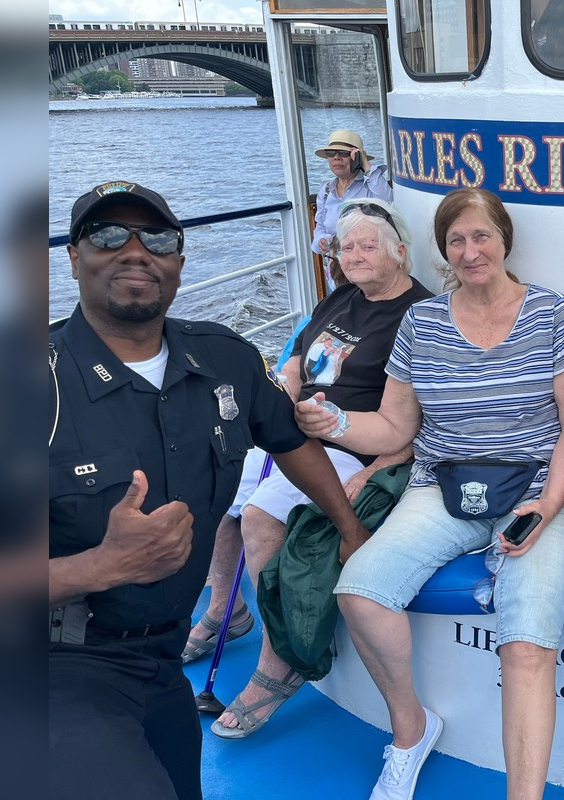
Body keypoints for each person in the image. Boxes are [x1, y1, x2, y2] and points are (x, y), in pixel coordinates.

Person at [49, 181, 371, 800]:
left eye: (158, 238)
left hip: (163, 658)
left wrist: (351, 530)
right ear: (73, 255)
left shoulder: (223, 360)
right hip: (54, 665)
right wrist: (100, 565)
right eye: (109, 235)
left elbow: (289, 439)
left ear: (179, 259)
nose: (136, 251)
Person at [296, 188, 564, 800]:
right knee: (360, 594)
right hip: (444, 483)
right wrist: (338, 425)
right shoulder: (423, 322)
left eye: (481, 235)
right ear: (442, 251)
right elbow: (397, 427)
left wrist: (549, 504)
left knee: (527, 644)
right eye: (455, 240)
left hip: (538, 488)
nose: (469, 250)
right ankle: (411, 730)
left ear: (504, 239)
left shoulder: (551, 314)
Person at [191, 199, 434, 738]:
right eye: (346, 247)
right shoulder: (341, 298)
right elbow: (296, 364)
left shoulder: (419, 313)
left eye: (369, 244)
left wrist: (379, 468)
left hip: (352, 442)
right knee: (212, 477)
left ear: (400, 248)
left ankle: (280, 663)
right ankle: (226, 611)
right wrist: (275, 409)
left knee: (258, 517)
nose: (354, 255)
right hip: (297, 428)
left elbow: (420, 417)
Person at [311, 129, 393, 286]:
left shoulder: (370, 185)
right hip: (336, 269)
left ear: (356, 158)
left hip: (366, 266)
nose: (336, 157)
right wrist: (320, 241)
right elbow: (320, 227)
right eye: (331, 153)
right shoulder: (326, 191)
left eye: (343, 152)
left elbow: (389, 200)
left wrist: (365, 165)